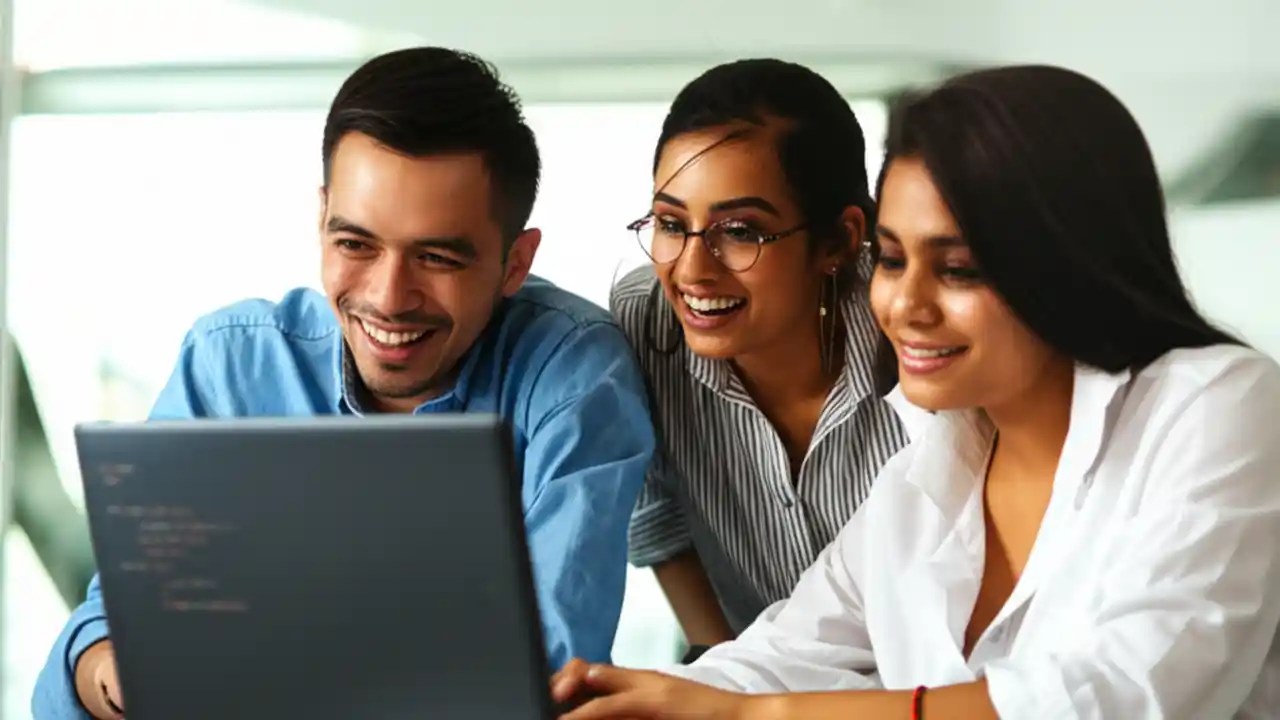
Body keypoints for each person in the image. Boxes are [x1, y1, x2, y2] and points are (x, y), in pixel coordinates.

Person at [551, 64, 1280, 719]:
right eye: (894, 261)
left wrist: (753, 717)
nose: (905, 306)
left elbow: (1123, 696)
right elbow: (783, 651)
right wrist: (621, 699)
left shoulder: (1216, 402)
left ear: (1072, 263)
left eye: (958, 269)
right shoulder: (929, 465)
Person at [33, 47, 655, 720]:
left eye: (438, 257)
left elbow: (548, 673)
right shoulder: (229, 367)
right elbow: (107, 631)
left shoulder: (573, 377)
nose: (389, 298)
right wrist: (115, 674)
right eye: (355, 245)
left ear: (514, 262)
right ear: (322, 217)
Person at [611, 58, 919, 651]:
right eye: (672, 223)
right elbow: (656, 517)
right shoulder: (644, 320)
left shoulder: (913, 335)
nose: (692, 271)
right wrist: (722, 678)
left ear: (839, 240)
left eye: (741, 230)